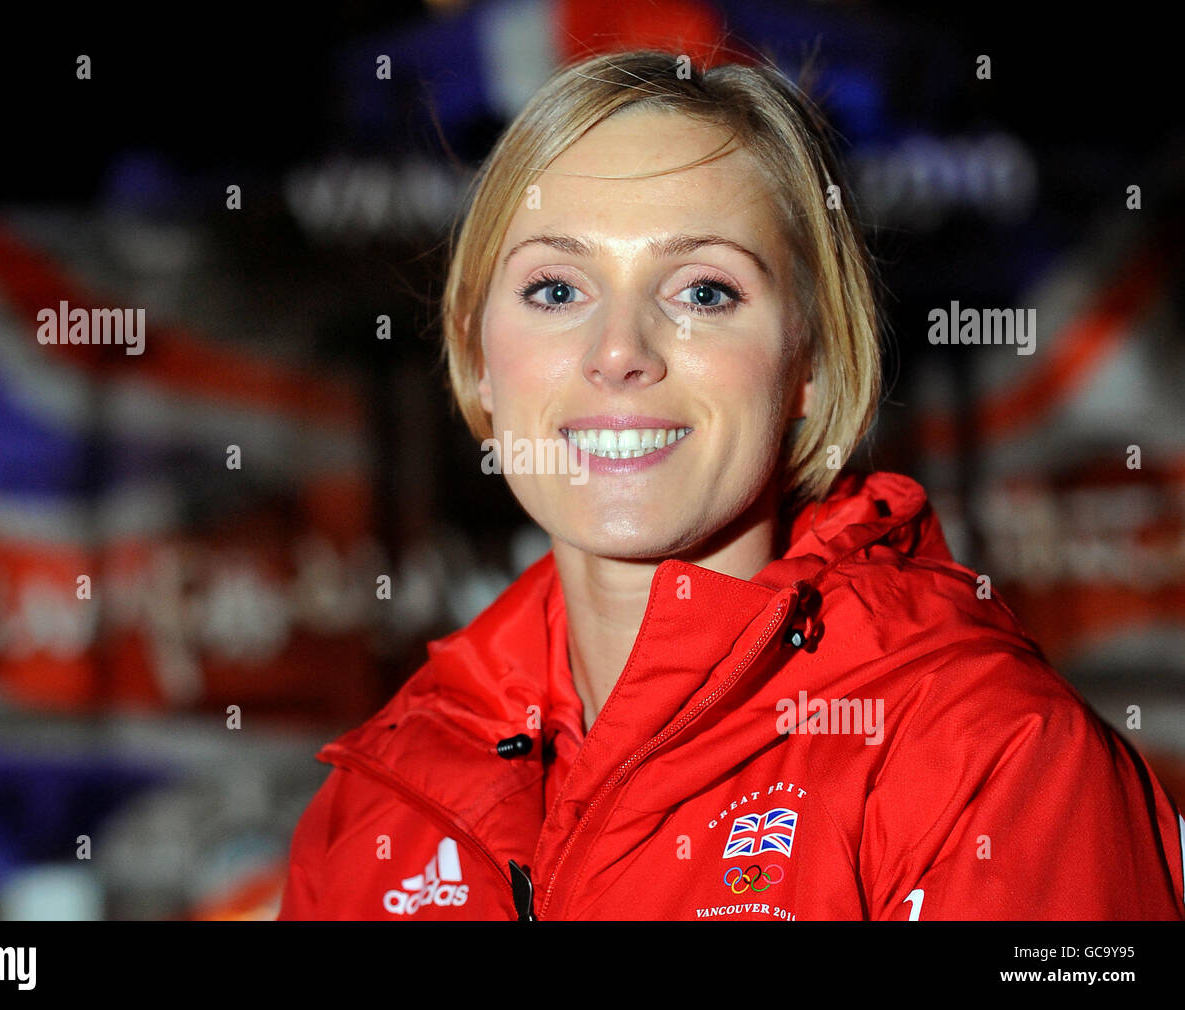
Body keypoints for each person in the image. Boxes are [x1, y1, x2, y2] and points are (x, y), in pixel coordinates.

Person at [278, 49, 1185, 921]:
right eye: (556, 290)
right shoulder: (375, 805)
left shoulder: (994, 763)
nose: (619, 353)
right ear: (479, 359)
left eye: (703, 292)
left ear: (813, 367)